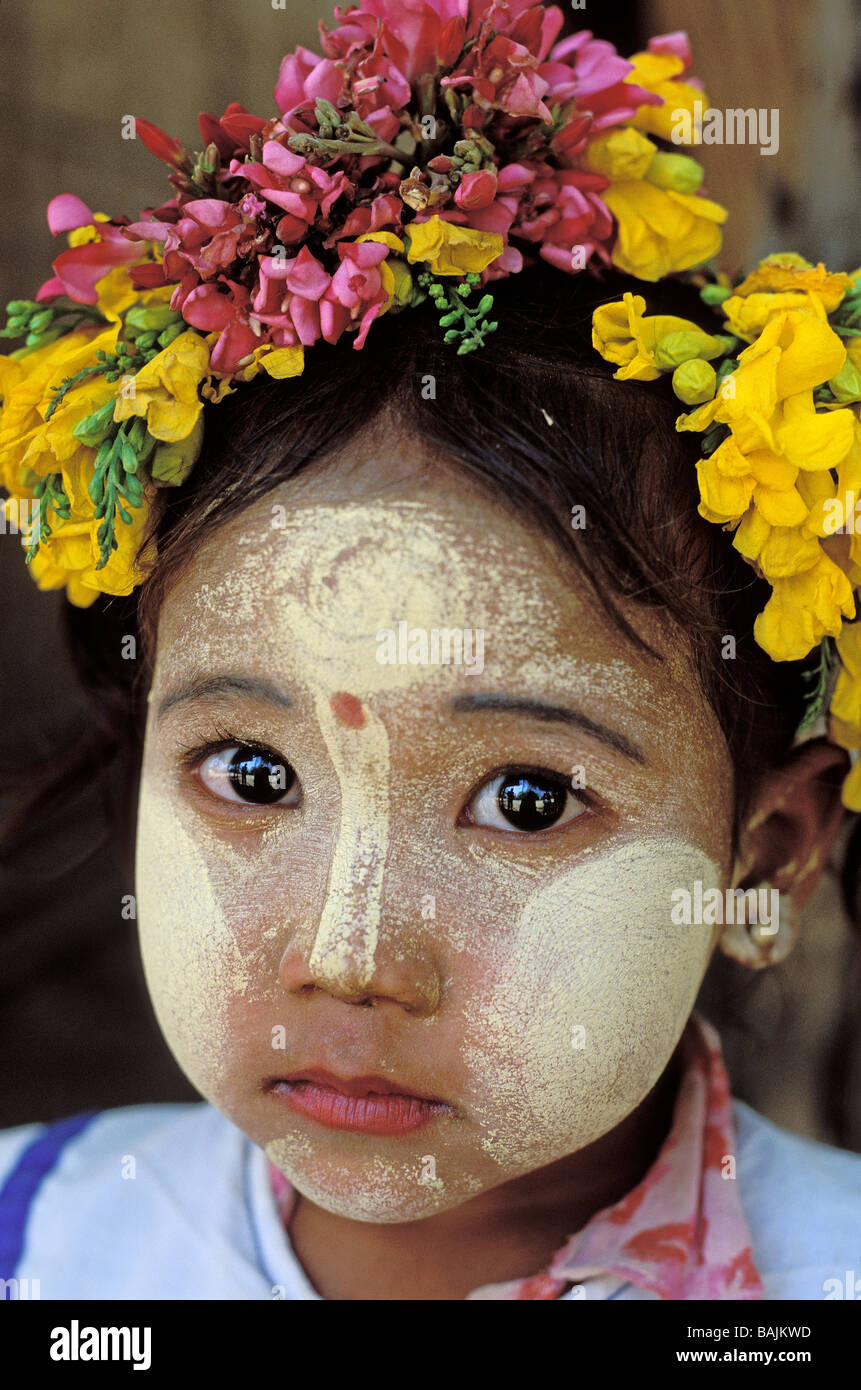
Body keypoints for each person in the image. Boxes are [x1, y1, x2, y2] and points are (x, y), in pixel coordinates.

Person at [0, 1, 859, 1301]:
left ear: (768, 854)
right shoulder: (37, 1243)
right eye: (248, 771)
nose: (345, 954)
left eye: (526, 798)